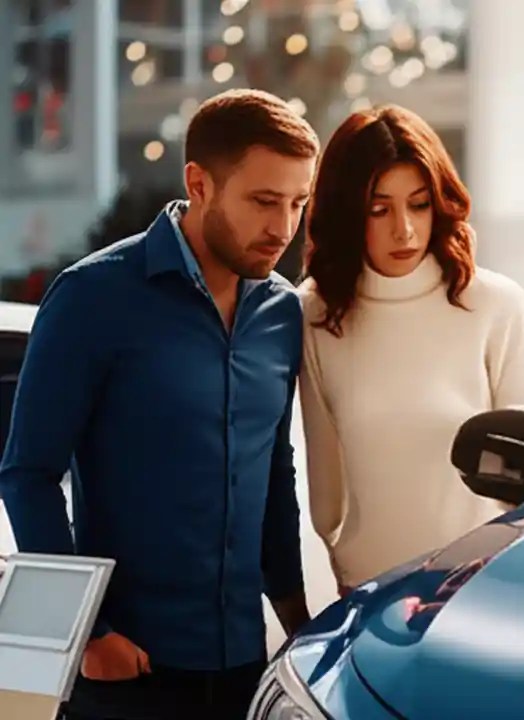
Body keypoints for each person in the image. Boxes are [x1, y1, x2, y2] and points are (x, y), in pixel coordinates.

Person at [0, 89, 317, 720]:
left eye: (297, 202)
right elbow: (27, 474)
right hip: (126, 671)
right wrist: (87, 637)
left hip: (244, 666)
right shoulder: (92, 297)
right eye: (263, 201)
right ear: (199, 184)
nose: (283, 228)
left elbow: (272, 473)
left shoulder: (283, 312)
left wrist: (297, 619)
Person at [299, 104, 524, 595]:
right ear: (348, 213)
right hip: (368, 591)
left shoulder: (496, 304)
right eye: (379, 210)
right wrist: (347, 572)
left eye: (418, 205)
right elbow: (325, 497)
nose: (405, 230)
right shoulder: (315, 314)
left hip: (481, 587)